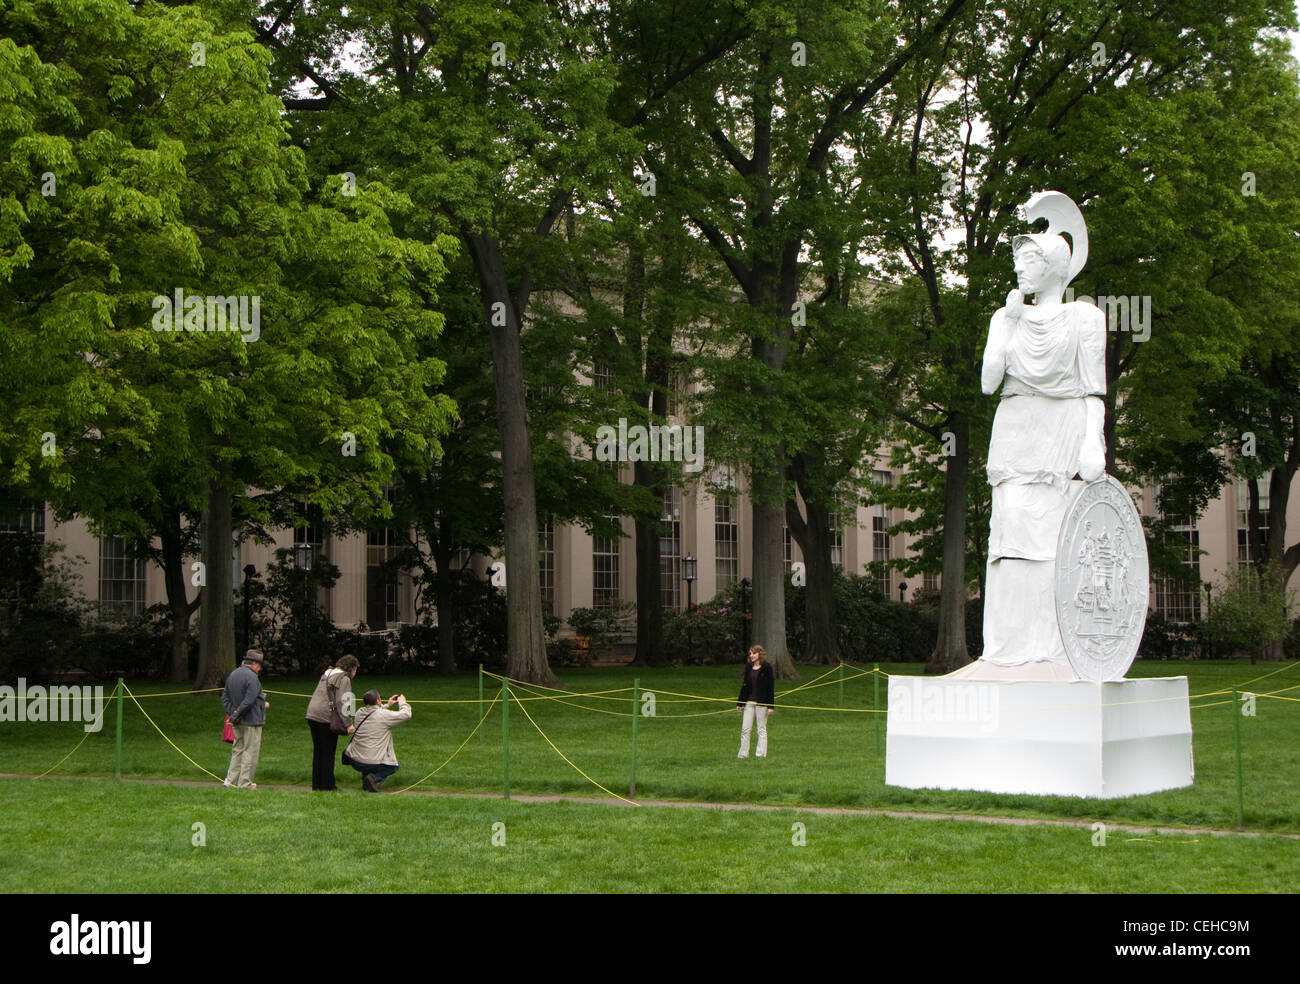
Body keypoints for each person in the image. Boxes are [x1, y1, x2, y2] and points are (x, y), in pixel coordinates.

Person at [956, 190, 1106, 679]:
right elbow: (987, 382)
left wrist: (1092, 440)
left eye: (1029, 261)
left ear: (1055, 267)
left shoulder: (1086, 319)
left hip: (1061, 429)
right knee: (1010, 532)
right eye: (1017, 261)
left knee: (1059, 538)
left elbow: (1093, 391)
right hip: (1016, 427)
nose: (1020, 270)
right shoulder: (1006, 317)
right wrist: (1007, 323)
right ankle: (1006, 648)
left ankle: (1057, 647)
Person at [304, 654, 359, 791]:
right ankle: (328, 786)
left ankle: (317, 785)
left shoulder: (327, 673)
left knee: (318, 752)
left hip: (312, 714)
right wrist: (348, 723)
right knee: (328, 752)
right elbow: (344, 701)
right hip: (325, 717)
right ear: (351, 668)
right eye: (355, 669)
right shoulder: (344, 678)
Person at [344, 690, 411, 792]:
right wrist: (402, 702)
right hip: (372, 762)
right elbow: (406, 714)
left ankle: (366, 784)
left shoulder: (359, 713)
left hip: (355, 761)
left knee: (367, 756)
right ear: (378, 701)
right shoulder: (383, 715)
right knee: (393, 767)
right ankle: (373, 778)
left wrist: (387, 705)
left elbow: (373, 712)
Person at [221, 650, 270, 789]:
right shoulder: (252, 677)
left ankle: (231, 781)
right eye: (259, 665)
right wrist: (236, 714)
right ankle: (245, 783)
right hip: (251, 721)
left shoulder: (233, 674)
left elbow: (225, 698)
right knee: (250, 751)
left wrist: (233, 713)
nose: (260, 669)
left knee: (237, 750)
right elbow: (250, 700)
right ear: (254, 664)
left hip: (237, 721)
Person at [735, 645, 774, 758]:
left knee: (761, 729)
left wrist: (770, 706)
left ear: (759, 654)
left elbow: (770, 688)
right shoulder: (748, 667)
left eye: (753, 653)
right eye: (750, 653)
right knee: (745, 729)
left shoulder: (767, 668)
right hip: (749, 703)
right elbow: (745, 686)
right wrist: (740, 703)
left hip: (761, 704)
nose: (751, 655)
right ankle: (743, 754)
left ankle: (761, 754)